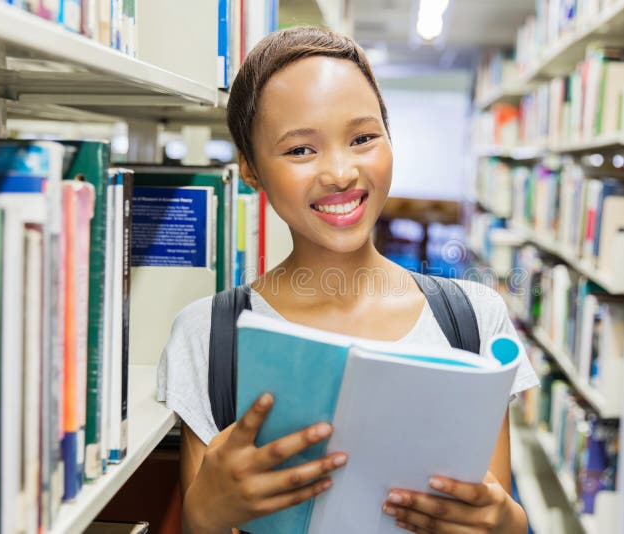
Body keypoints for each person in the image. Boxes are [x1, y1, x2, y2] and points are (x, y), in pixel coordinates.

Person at [157, 25, 539, 533]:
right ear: (250, 169)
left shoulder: (472, 320)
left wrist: (508, 525)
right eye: (300, 150)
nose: (341, 172)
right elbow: (202, 523)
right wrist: (203, 514)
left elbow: (489, 511)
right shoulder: (208, 335)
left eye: (363, 138)